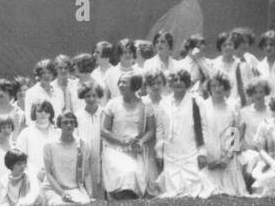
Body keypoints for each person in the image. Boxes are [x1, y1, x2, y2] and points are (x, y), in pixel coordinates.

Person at [155, 70, 214, 199]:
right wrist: (159, 152)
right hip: (171, 148)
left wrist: (202, 152)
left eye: (182, 80)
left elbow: (203, 127)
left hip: (190, 146)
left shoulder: (196, 101)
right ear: (170, 83)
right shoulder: (164, 103)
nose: (178, 83)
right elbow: (159, 129)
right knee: (173, 187)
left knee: (194, 184)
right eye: (175, 80)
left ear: (187, 83)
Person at [100, 73, 153, 199]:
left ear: (134, 85)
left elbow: (150, 130)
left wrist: (141, 142)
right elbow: (103, 130)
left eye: (125, 82)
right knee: (123, 177)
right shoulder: (112, 104)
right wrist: (121, 141)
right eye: (120, 82)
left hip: (136, 150)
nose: (120, 85)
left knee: (133, 177)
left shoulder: (145, 105)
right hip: (115, 149)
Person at [201, 73, 248, 196]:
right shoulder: (202, 106)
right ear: (209, 89)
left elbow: (237, 129)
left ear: (225, 87)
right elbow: (201, 132)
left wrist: (228, 156)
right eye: (214, 86)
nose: (217, 89)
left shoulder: (233, 105)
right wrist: (207, 157)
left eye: (220, 85)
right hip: (209, 154)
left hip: (228, 154)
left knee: (232, 190)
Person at [41, 111, 92, 205]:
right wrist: (62, 193)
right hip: (54, 189)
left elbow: (87, 172)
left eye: (72, 122)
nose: (69, 125)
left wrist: (90, 194)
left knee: (85, 203)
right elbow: (48, 174)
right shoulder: (49, 145)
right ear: (59, 125)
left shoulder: (82, 144)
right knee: (60, 205)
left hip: (75, 189)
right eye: (65, 122)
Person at [75, 83, 105, 200]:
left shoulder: (104, 112)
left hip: (101, 148)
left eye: (94, 95)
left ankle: (102, 197)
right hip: (85, 150)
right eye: (87, 96)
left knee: (100, 171)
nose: (91, 99)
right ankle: (88, 196)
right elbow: (76, 134)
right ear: (83, 97)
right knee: (86, 172)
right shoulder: (78, 115)